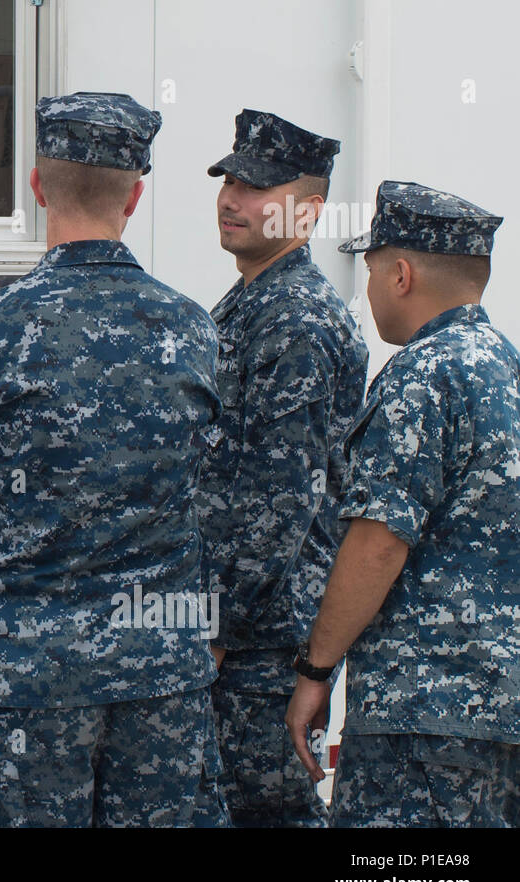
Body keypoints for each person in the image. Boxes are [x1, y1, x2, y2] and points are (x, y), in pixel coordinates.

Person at [0, 92, 227, 827]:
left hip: (28, 677)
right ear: (136, 196)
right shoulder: (195, 330)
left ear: (37, 185)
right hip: (160, 678)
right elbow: (213, 491)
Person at [286, 181, 520, 828]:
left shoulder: (424, 375)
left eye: (369, 272)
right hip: (501, 707)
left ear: (401, 274)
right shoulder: (506, 367)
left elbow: (379, 542)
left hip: (423, 712)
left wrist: (315, 671)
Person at [196, 110, 369, 826]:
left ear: (309, 209)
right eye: (229, 180)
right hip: (241, 637)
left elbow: (278, 504)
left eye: (258, 186)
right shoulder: (250, 304)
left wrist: (214, 626)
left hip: (261, 644)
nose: (233, 199)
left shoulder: (295, 321)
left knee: (268, 814)